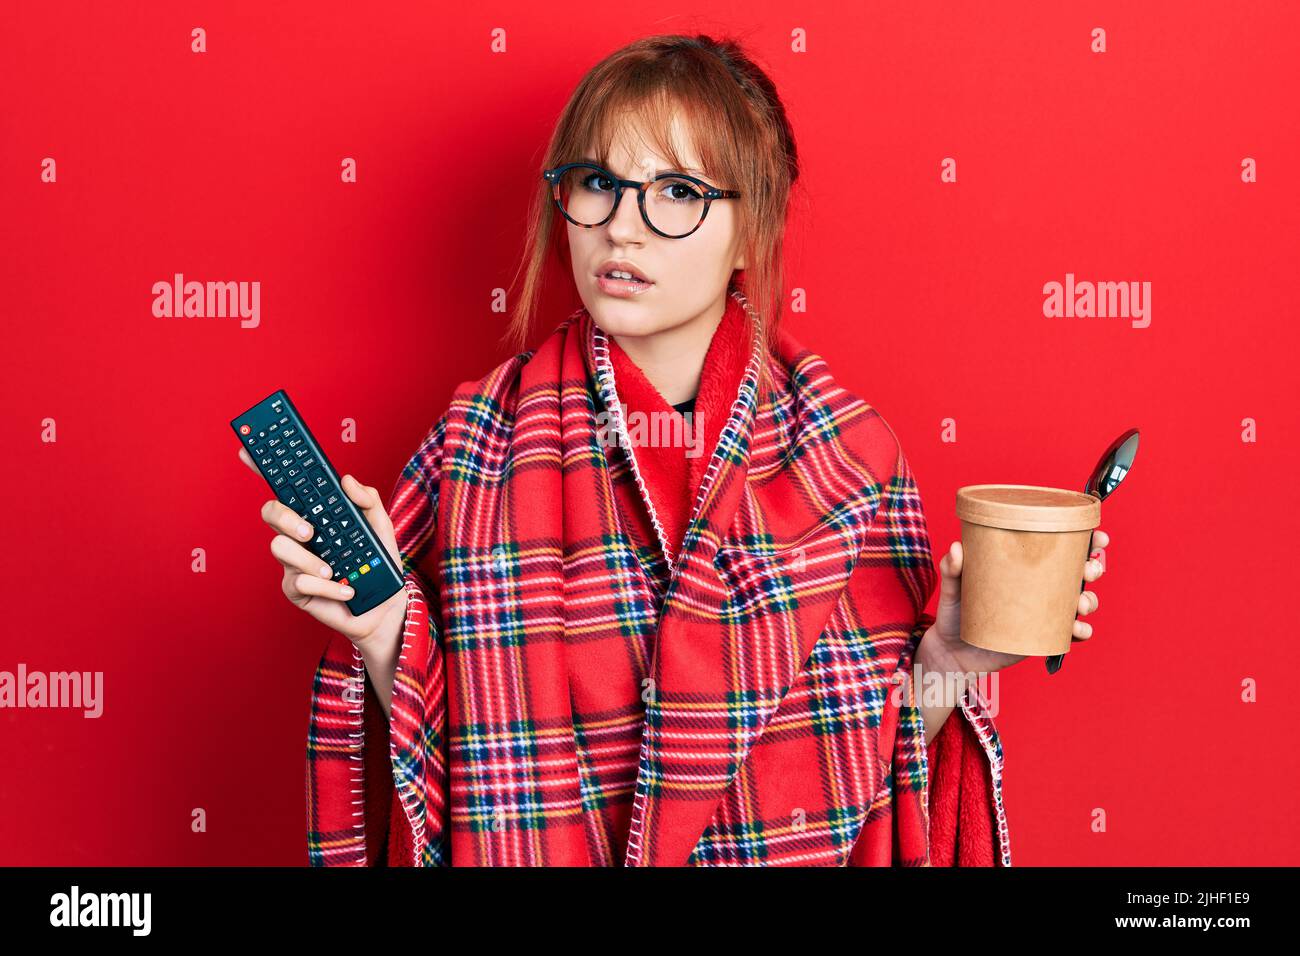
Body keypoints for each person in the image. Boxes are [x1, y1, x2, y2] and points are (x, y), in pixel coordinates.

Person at [240, 34, 1109, 867]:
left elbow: (876, 779)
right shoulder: (475, 445)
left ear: (749, 227)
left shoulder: (849, 454)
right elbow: (445, 772)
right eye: (597, 184)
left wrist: (946, 666)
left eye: (680, 192)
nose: (624, 228)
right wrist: (388, 627)